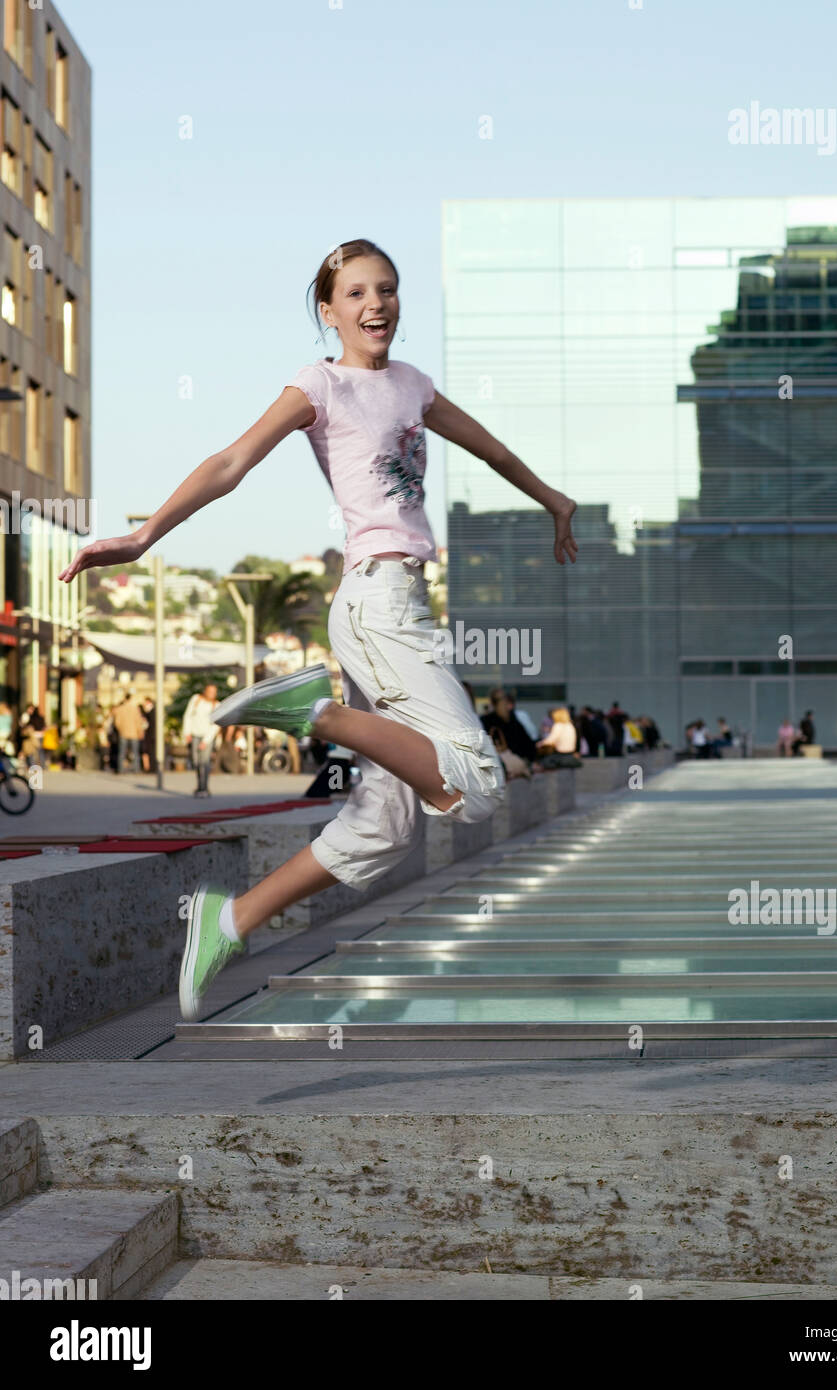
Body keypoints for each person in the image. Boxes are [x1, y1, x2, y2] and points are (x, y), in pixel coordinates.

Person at [58, 236, 579, 1022]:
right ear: (329, 310)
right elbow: (232, 462)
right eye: (359, 293)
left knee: (386, 824)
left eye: (390, 289)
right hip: (378, 606)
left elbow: (493, 449)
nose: (378, 304)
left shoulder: (413, 387)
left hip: (397, 606)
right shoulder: (320, 386)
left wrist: (553, 500)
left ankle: (226, 921)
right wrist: (143, 536)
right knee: (475, 784)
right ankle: (314, 711)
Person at [181, 682, 220, 797]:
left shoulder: (216, 705)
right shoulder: (196, 699)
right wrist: (186, 732)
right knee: (196, 761)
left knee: (205, 762)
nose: (212, 694)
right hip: (194, 735)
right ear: (205, 691)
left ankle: (204, 787)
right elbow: (188, 716)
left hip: (206, 737)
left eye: (214, 692)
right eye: (210, 691)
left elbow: (215, 725)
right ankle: (199, 785)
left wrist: (206, 741)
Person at [112, 693, 147, 774]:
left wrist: (121, 729)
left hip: (123, 733)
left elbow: (117, 722)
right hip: (133, 733)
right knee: (135, 753)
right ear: (130, 699)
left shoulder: (120, 709)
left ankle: (121, 769)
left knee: (122, 753)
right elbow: (138, 722)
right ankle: (136, 770)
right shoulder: (134, 709)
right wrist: (139, 731)